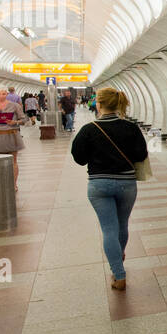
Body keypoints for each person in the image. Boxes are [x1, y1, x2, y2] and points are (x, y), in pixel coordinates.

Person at [71, 88, 147, 290]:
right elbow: (141, 154)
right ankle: (118, 260)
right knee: (122, 225)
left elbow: (79, 158)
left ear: (98, 104)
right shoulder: (131, 128)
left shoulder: (89, 129)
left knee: (108, 229)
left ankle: (119, 274)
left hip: (98, 185)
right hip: (127, 183)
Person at [0, 86, 25, 190]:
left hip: (11, 134)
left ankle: (14, 183)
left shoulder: (15, 106)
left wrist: (15, 122)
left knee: (13, 161)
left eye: (3, 94)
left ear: (7, 94)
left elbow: (23, 119)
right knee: (0, 161)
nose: (1, 96)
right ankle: (3, 183)